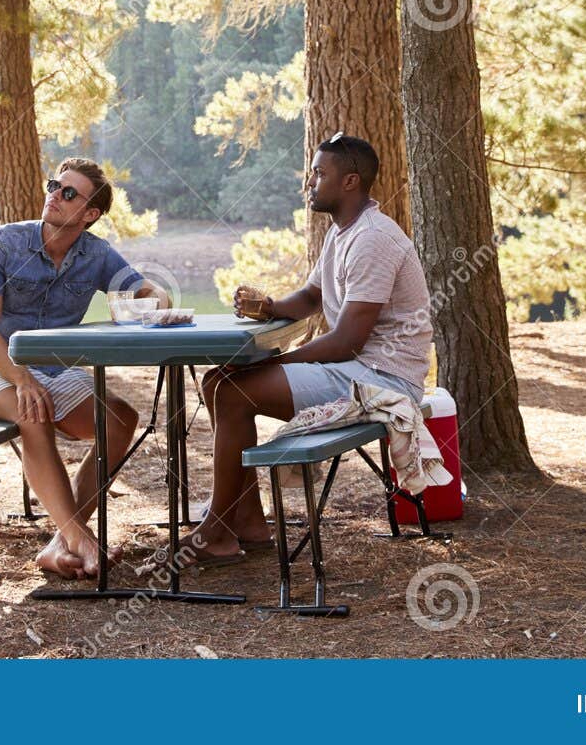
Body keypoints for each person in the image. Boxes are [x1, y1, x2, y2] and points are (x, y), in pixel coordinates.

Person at [183, 132, 432, 565]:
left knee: (231, 389)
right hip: (357, 369)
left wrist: (277, 360)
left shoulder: (373, 239)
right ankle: (247, 522)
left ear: (350, 181)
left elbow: (346, 340)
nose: (310, 182)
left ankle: (217, 530)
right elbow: (312, 296)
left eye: (319, 173)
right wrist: (270, 307)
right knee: (218, 381)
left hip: (381, 381)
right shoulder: (343, 233)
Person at [0, 157, 170, 579]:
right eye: (54, 186)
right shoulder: (2, 243)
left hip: (55, 372)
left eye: (69, 193)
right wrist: (21, 379)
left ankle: (63, 539)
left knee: (119, 419)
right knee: (31, 413)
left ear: (89, 214)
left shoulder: (96, 255)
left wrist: (152, 299)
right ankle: (80, 537)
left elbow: (150, 292)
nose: (54, 196)